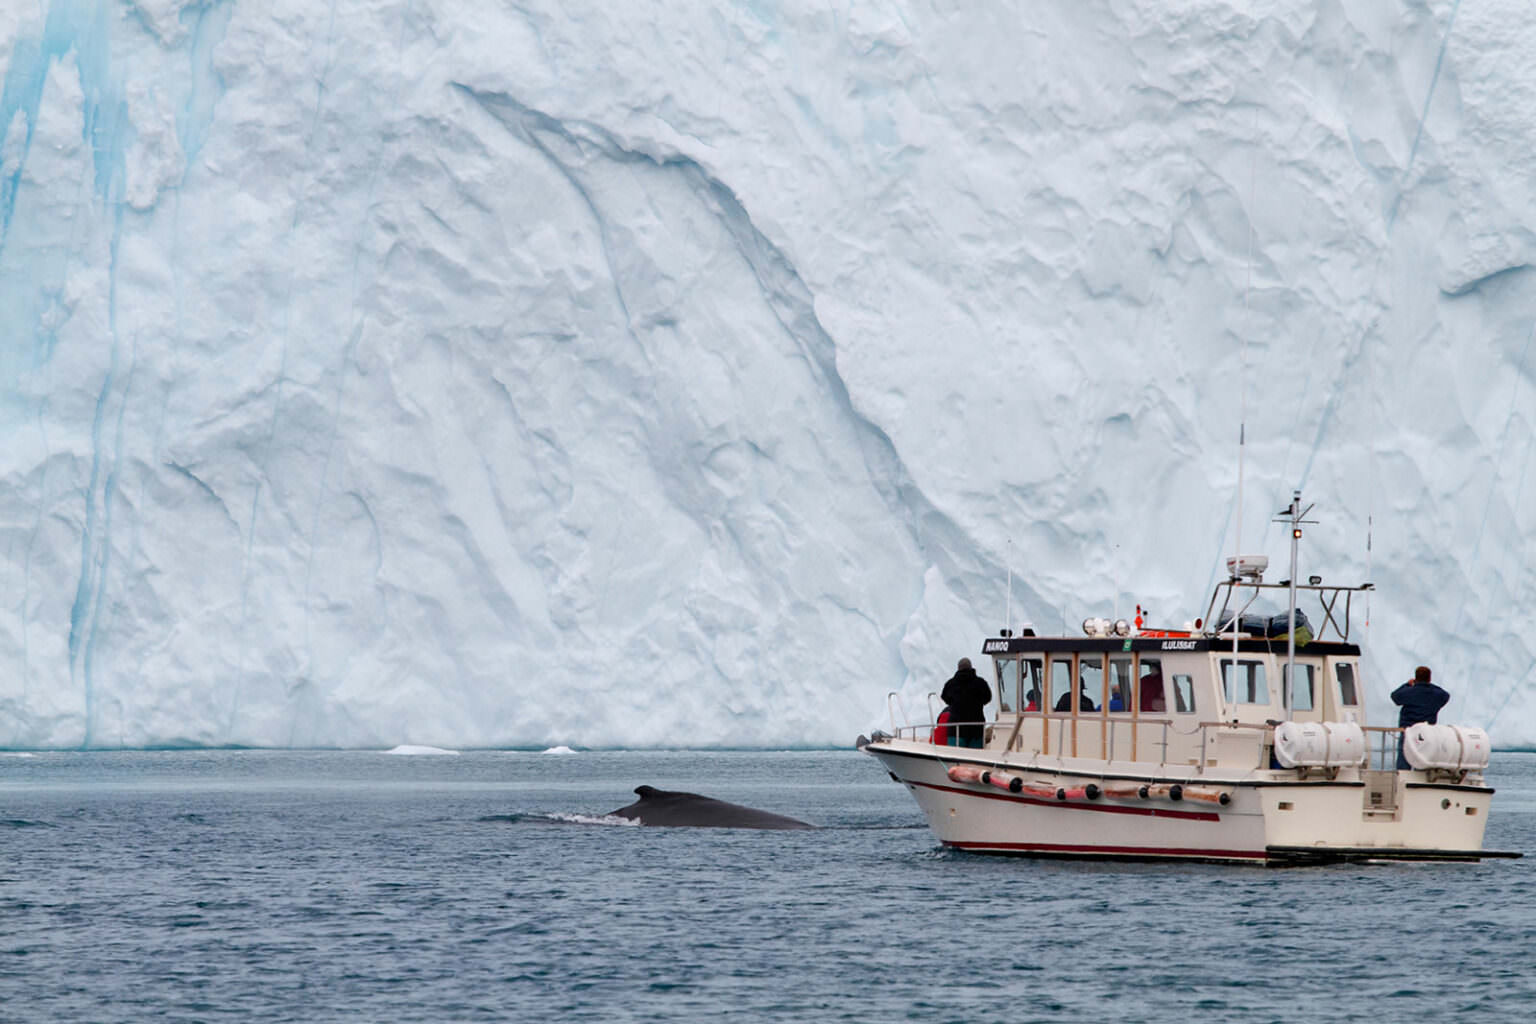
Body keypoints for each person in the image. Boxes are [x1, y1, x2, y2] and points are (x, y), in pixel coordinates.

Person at [1391, 665, 1450, 769]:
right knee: (1425, 756)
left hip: (1408, 731)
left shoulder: (1409, 691)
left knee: (1405, 757)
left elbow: (1395, 697)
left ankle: (1403, 777)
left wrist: (1407, 685)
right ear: (1429, 678)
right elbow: (1445, 695)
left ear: (1416, 677)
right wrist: (1430, 686)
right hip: (1427, 732)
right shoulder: (1435, 693)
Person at [941, 657, 992, 748]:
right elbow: (987, 698)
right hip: (976, 728)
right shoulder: (981, 683)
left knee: (954, 758)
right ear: (971, 667)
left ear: (958, 668)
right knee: (975, 758)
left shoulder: (950, 684)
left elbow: (945, 698)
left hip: (955, 728)